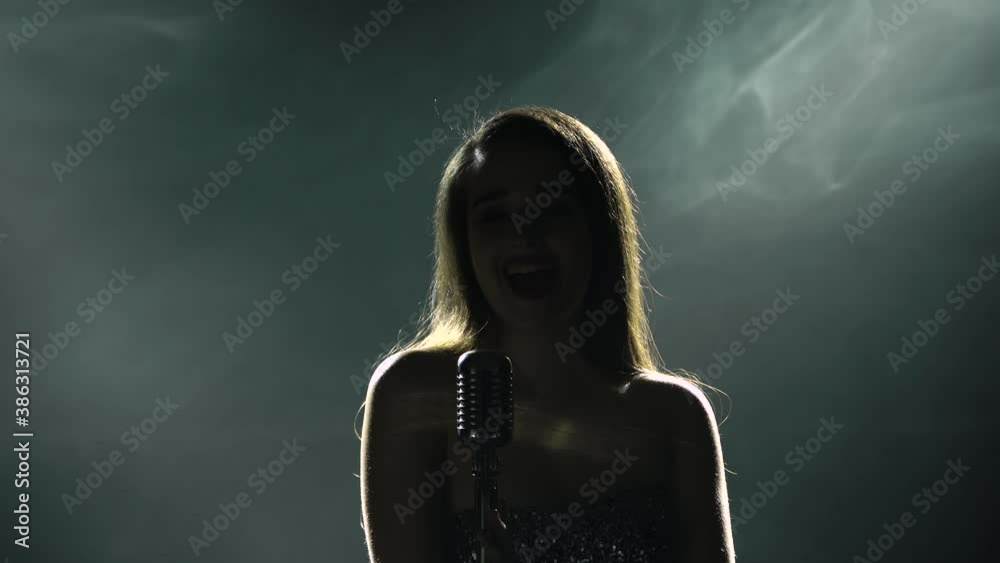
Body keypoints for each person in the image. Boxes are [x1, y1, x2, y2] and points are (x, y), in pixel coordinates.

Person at [358, 105, 735, 562]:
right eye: (495, 216)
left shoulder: (675, 416)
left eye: (553, 207)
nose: (525, 234)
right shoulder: (415, 395)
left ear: (598, 228)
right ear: (465, 241)